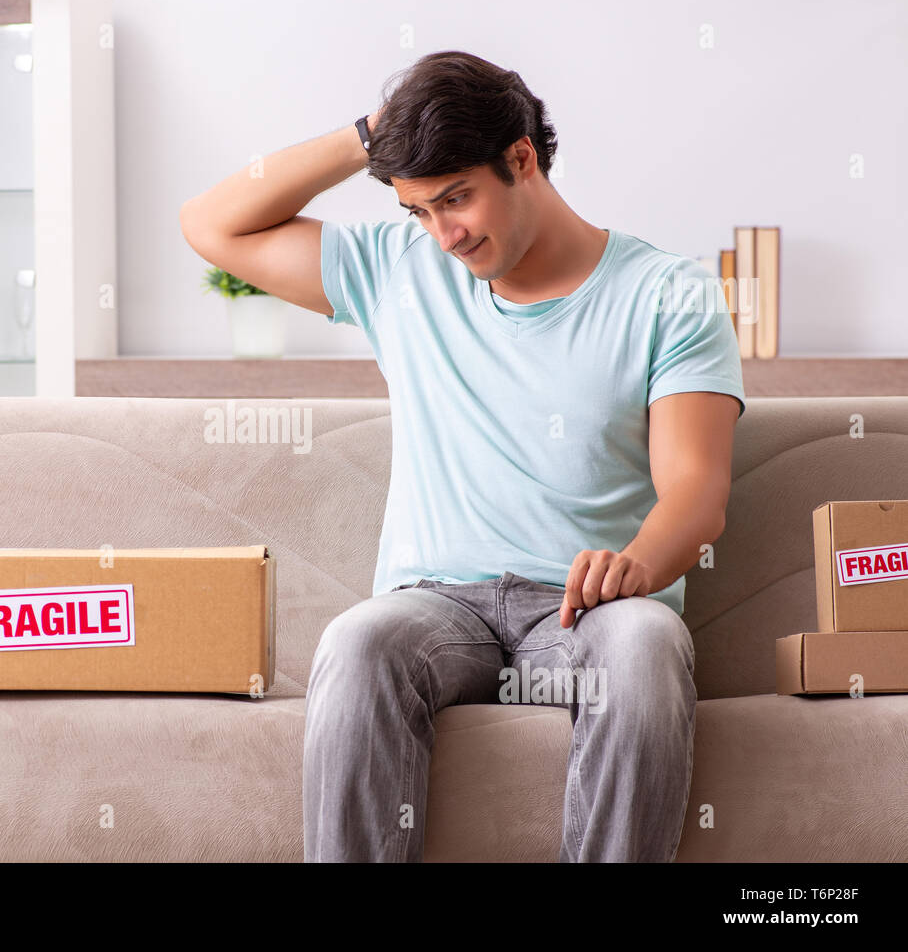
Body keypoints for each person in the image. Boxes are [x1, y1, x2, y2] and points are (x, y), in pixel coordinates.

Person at [179, 50, 744, 862]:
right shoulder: (396, 271)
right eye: (418, 210)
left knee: (645, 644)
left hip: (586, 607)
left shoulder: (667, 294)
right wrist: (369, 136)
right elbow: (211, 224)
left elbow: (695, 489)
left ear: (522, 158)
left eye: (456, 198)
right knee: (357, 641)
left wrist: (636, 565)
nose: (445, 235)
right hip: (437, 607)